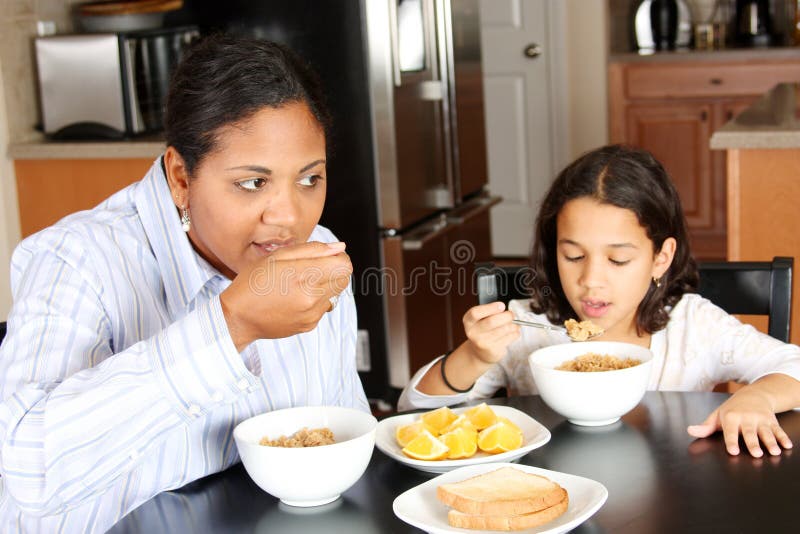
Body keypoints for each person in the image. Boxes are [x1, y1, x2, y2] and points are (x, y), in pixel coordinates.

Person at [0, 35, 367, 532]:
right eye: (253, 182)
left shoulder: (316, 252)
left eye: (309, 179)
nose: (289, 217)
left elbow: (341, 437)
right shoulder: (78, 260)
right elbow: (29, 472)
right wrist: (229, 325)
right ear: (180, 176)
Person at [399, 144, 800, 458]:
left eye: (618, 259)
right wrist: (473, 356)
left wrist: (756, 396)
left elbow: (794, 367)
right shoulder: (524, 326)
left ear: (661, 257)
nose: (591, 281)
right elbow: (412, 410)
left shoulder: (693, 327)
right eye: (573, 256)